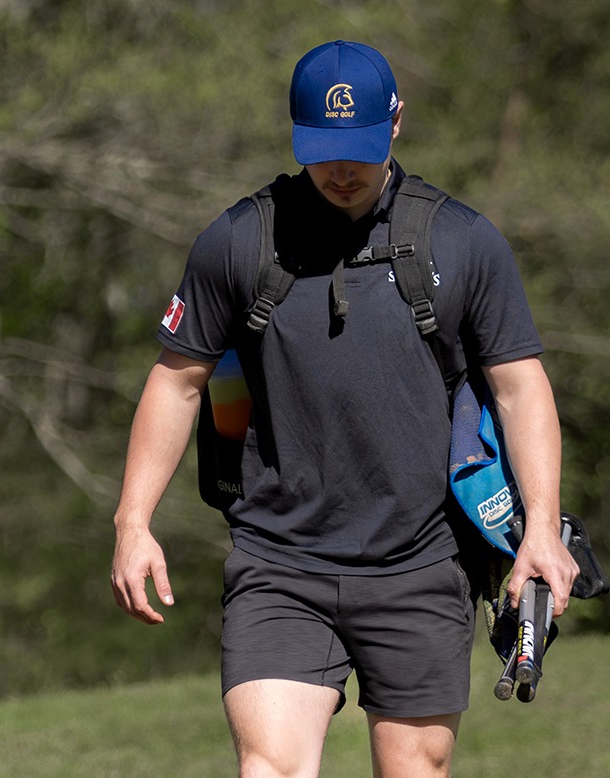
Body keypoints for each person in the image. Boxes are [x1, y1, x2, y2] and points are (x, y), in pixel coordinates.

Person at [109, 41, 578, 777]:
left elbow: (521, 387)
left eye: (358, 148)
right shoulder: (238, 241)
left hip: (422, 563)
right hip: (279, 562)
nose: (342, 170)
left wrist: (542, 530)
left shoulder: (462, 241)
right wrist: (133, 521)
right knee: (271, 767)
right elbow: (176, 380)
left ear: (396, 124)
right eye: (323, 151)